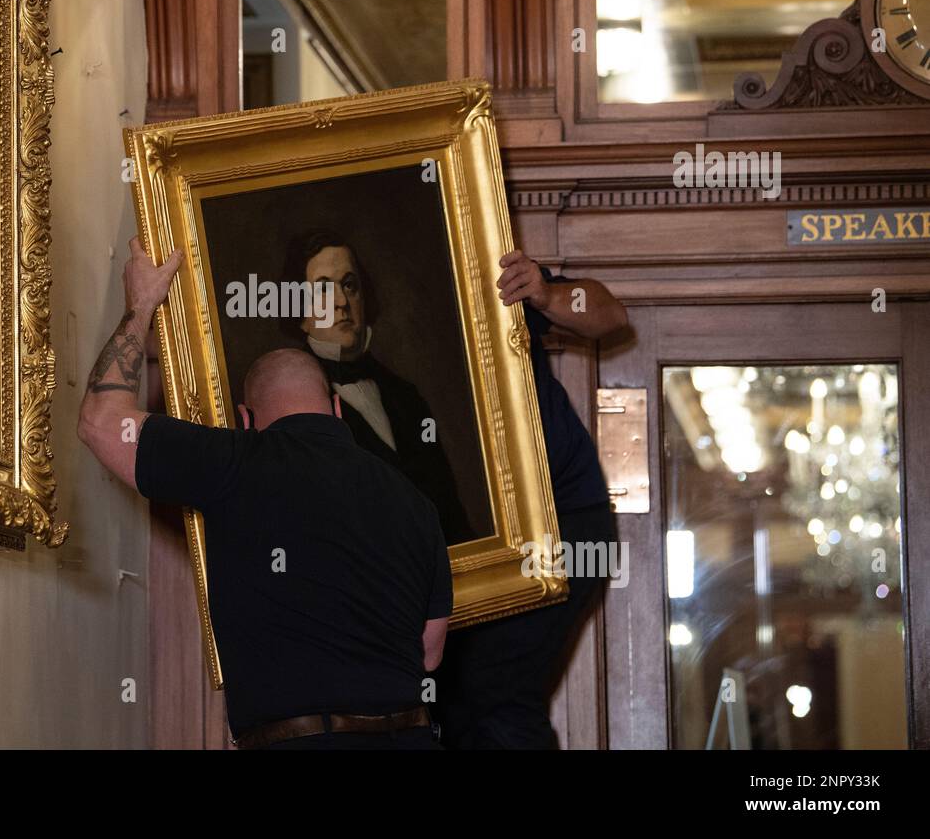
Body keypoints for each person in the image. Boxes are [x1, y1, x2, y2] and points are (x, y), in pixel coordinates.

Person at [78, 238, 454, 750]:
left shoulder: (234, 462)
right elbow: (429, 654)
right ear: (338, 412)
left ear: (247, 419)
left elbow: (102, 423)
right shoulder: (417, 504)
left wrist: (141, 303)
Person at [434, 249, 629, 749]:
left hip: (559, 520)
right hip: (467, 540)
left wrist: (544, 293)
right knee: (454, 702)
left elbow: (609, 314)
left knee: (495, 692)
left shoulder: (478, 262)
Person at [281, 229, 476, 543]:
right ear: (298, 311)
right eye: (323, 290)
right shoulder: (291, 405)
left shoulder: (407, 397)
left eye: (349, 285)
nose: (342, 302)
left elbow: (452, 517)